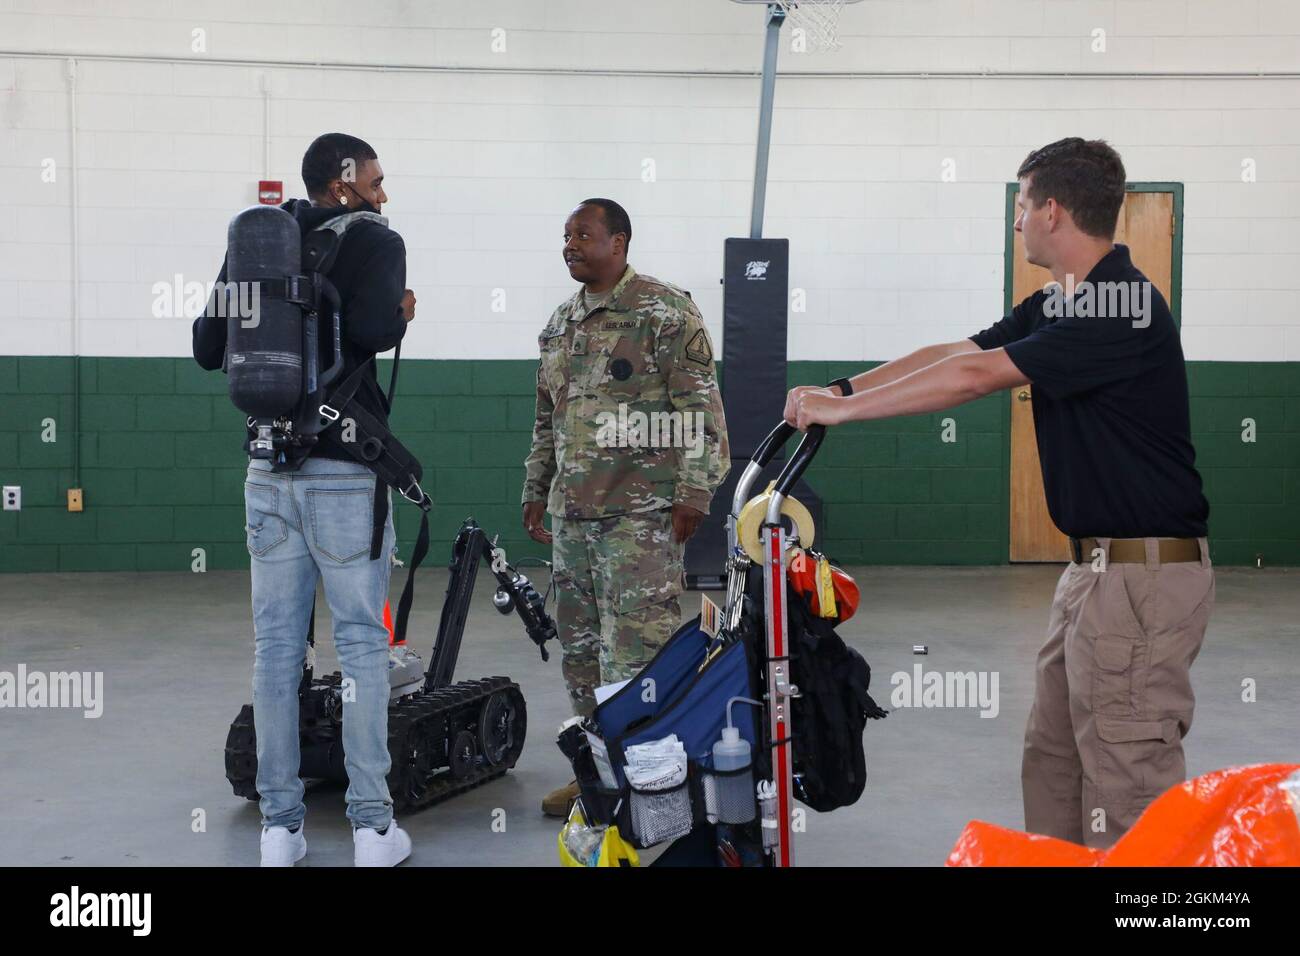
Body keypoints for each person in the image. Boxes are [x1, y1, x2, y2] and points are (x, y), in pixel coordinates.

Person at [785, 138, 1212, 849]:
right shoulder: (1062, 300)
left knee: (1127, 778)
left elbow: (977, 380)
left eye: (1020, 207)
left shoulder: (1123, 304)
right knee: (1054, 758)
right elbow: (961, 353)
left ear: (1051, 210)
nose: (1017, 223)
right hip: (1092, 573)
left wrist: (844, 415)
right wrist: (843, 388)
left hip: (1143, 579)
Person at [193, 133, 418, 866]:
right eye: (377, 182)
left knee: (276, 652)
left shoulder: (256, 241)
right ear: (345, 182)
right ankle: (372, 827)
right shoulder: (378, 243)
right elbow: (376, 330)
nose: (385, 194)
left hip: (267, 470)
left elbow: (205, 345)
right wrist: (403, 310)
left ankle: (279, 830)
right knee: (361, 648)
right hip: (345, 469)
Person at [522, 198, 730, 817]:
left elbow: (702, 411)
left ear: (619, 242)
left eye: (582, 235)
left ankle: (657, 782)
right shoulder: (560, 324)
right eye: (564, 236)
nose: (569, 245)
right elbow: (546, 420)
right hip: (573, 520)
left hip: (641, 517)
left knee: (639, 654)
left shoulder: (664, 311)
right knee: (582, 656)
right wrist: (537, 489)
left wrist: (695, 492)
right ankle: (600, 778)